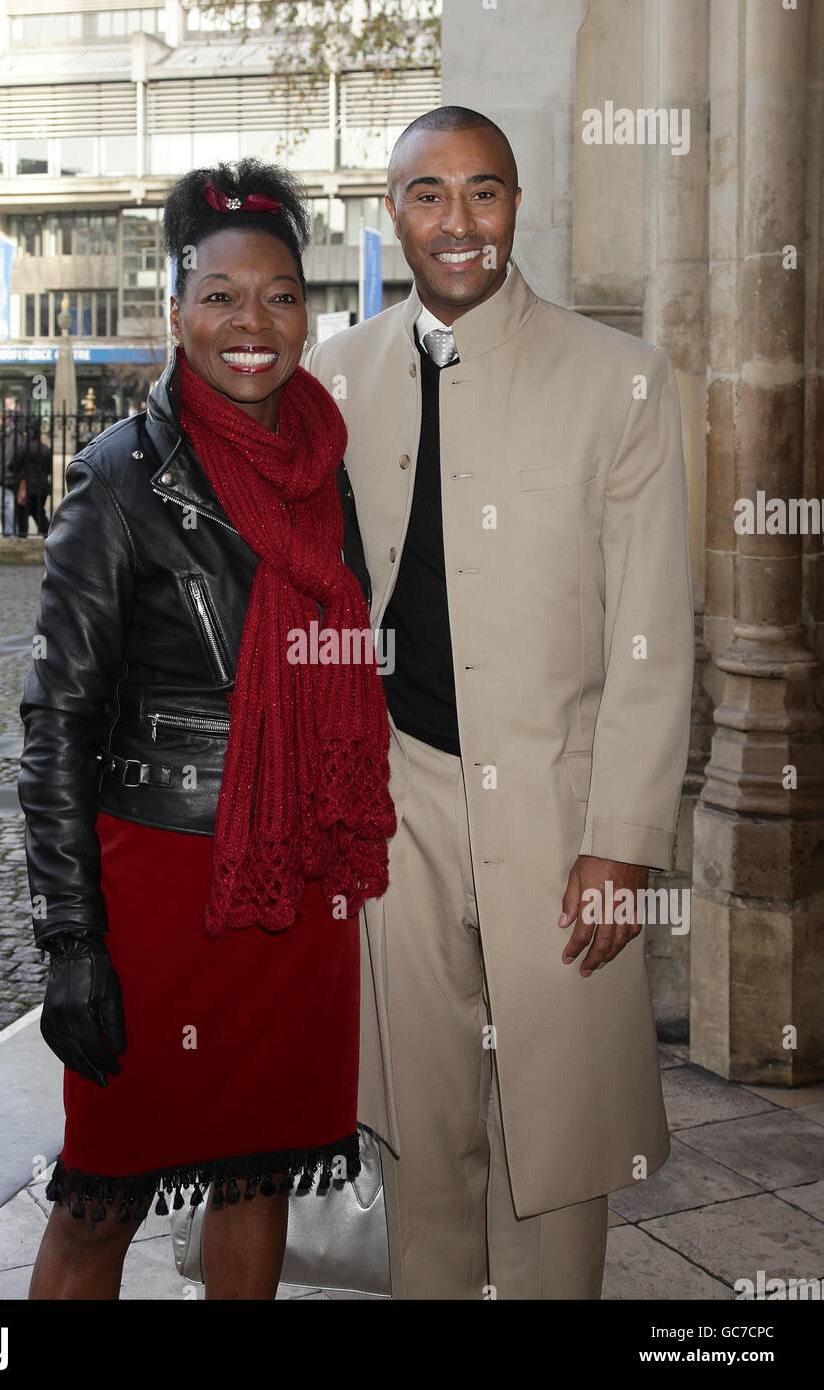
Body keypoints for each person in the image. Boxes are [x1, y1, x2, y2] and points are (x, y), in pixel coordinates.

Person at [305, 106, 695, 1300]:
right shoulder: (336, 376)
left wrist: (621, 846)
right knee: (417, 1130)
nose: (458, 222)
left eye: (485, 192)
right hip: (396, 807)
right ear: (393, 212)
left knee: (560, 1143)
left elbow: (651, 632)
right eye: (429, 193)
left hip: (559, 807)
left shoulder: (617, 379)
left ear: (516, 206)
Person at [18, 157, 395, 1301]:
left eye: (279, 294)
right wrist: (74, 945)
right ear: (174, 311)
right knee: (100, 1195)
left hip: (296, 888)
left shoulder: (327, 473)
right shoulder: (120, 482)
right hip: (164, 894)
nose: (250, 323)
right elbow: (56, 725)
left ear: (309, 312)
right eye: (220, 295)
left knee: (257, 1175)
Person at [0, 394, 22, 535]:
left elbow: (9, 456)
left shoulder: (12, 434)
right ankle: (7, 533)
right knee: (2, 507)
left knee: (8, 507)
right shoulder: (0, 434)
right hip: (0, 475)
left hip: (7, 476)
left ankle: (10, 534)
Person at [16, 419, 52, 537]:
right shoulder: (45, 448)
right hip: (42, 487)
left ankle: (22, 537)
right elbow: (49, 469)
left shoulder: (23, 447)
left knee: (23, 515)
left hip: (26, 487)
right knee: (39, 513)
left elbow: (15, 465)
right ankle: (47, 535)